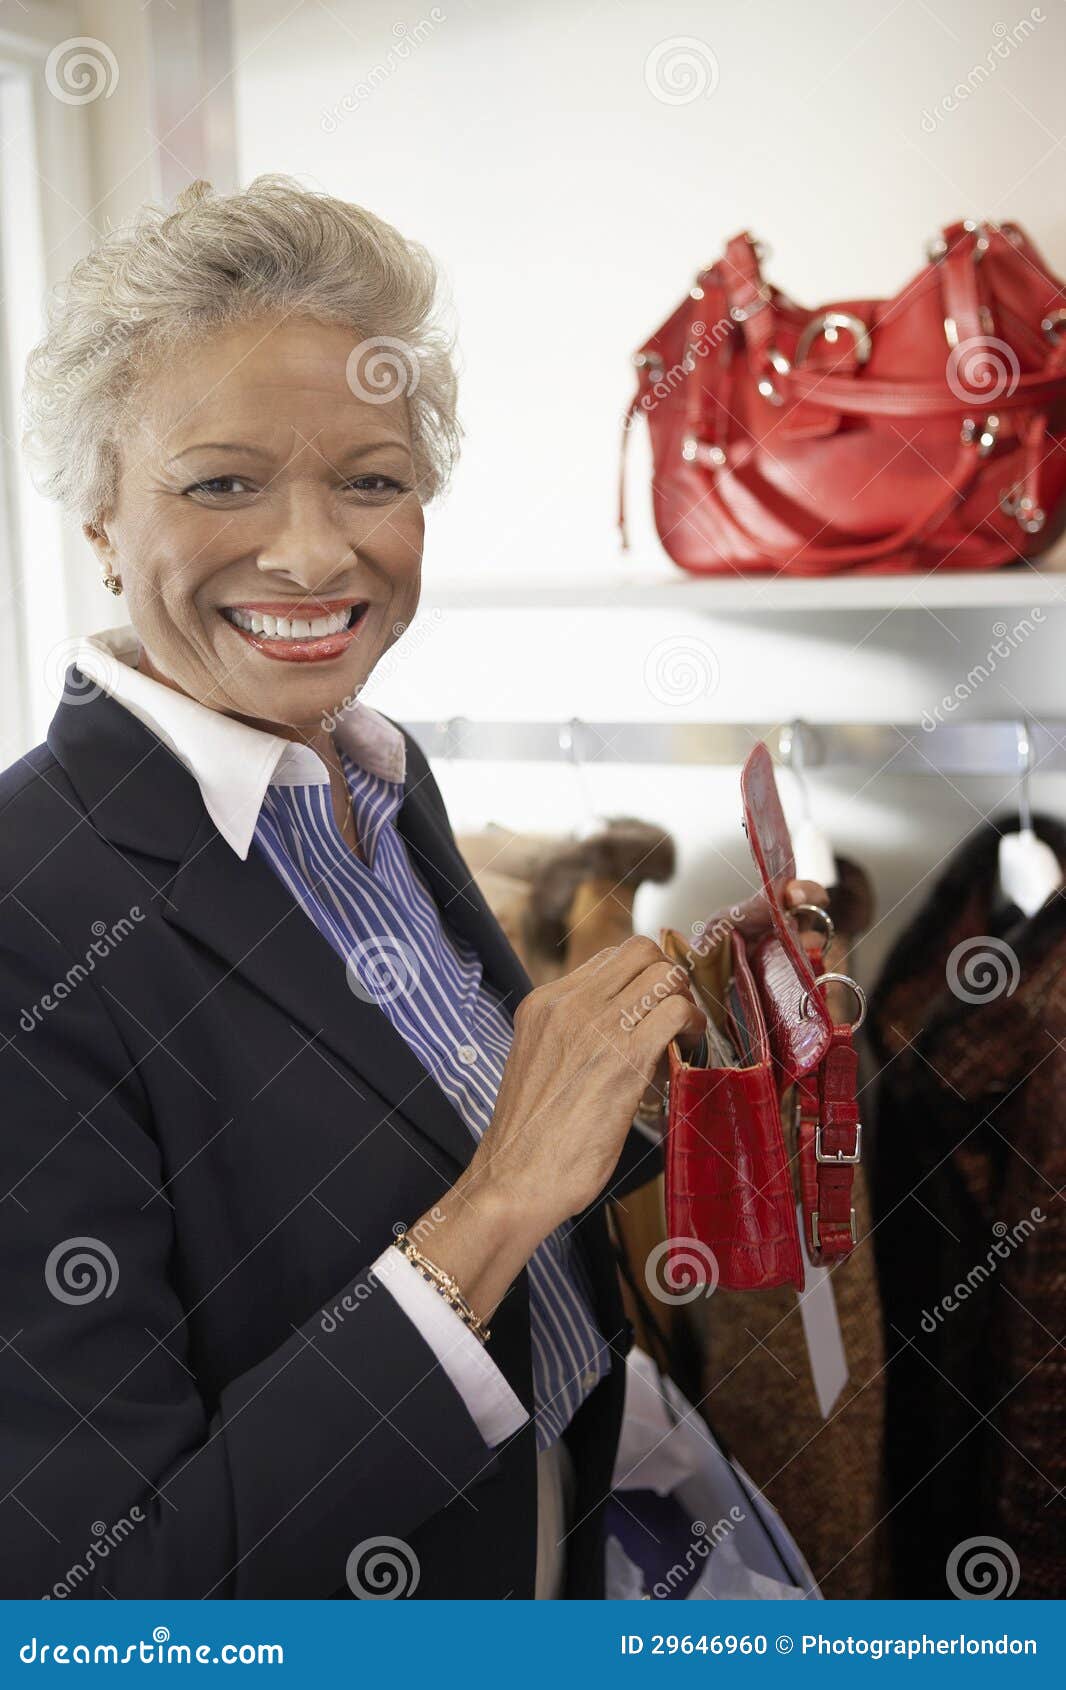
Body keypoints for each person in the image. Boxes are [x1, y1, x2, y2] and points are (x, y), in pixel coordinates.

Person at [0, 175, 824, 1598]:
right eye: (221, 481)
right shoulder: (29, 909)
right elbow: (104, 1601)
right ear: (98, 515)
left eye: (369, 479)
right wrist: (497, 1201)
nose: (315, 551)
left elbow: (392, 1147)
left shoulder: (374, 777)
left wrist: (649, 1055)